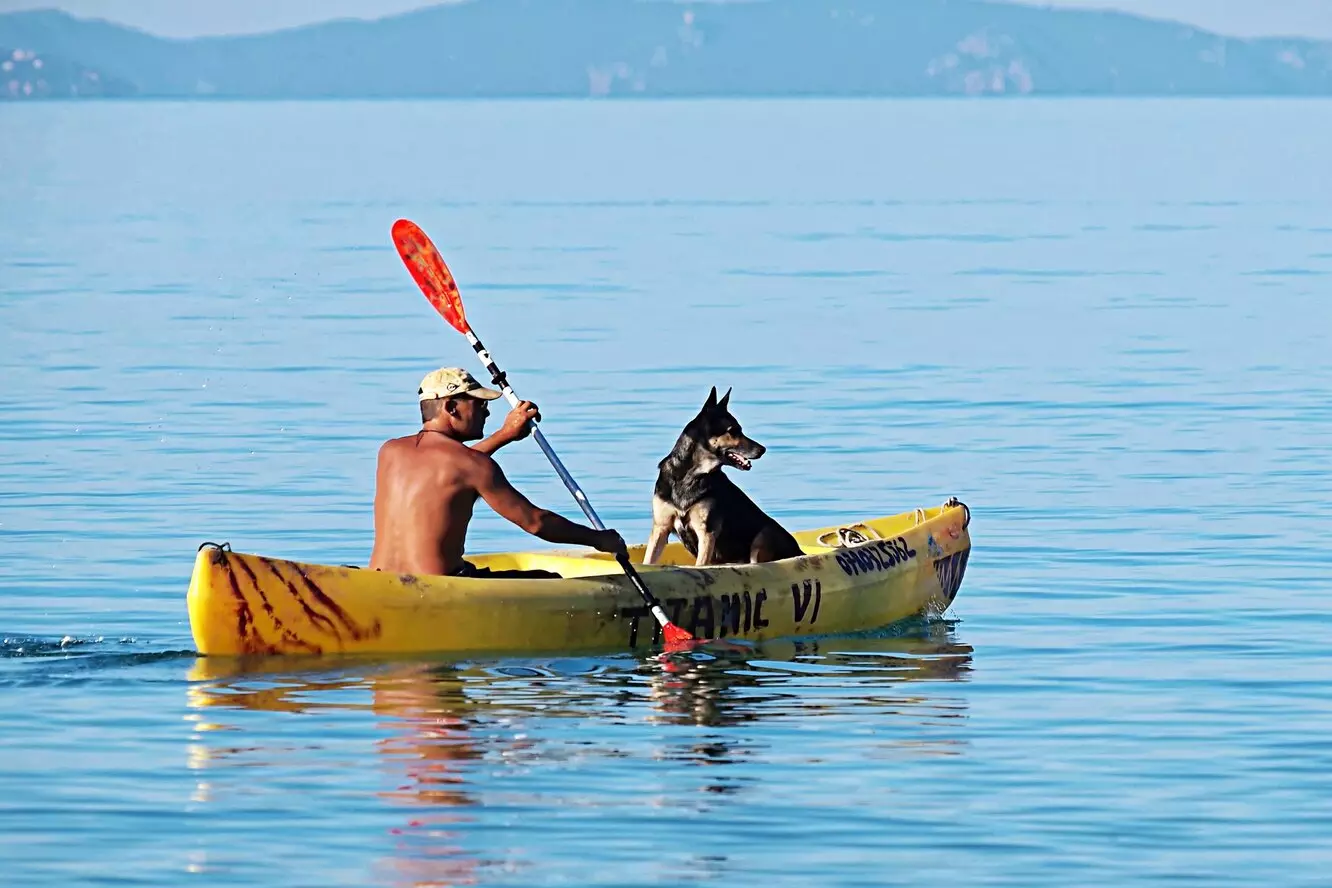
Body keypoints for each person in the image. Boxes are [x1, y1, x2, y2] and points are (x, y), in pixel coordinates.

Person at [368, 367, 627, 578]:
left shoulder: (390, 452)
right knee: (549, 580)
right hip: (440, 588)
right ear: (451, 407)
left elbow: (448, 468)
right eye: (478, 403)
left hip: (380, 581)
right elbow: (536, 522)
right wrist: (598, 538)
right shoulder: (472, 466)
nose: (487, 410)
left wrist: (504, 435)